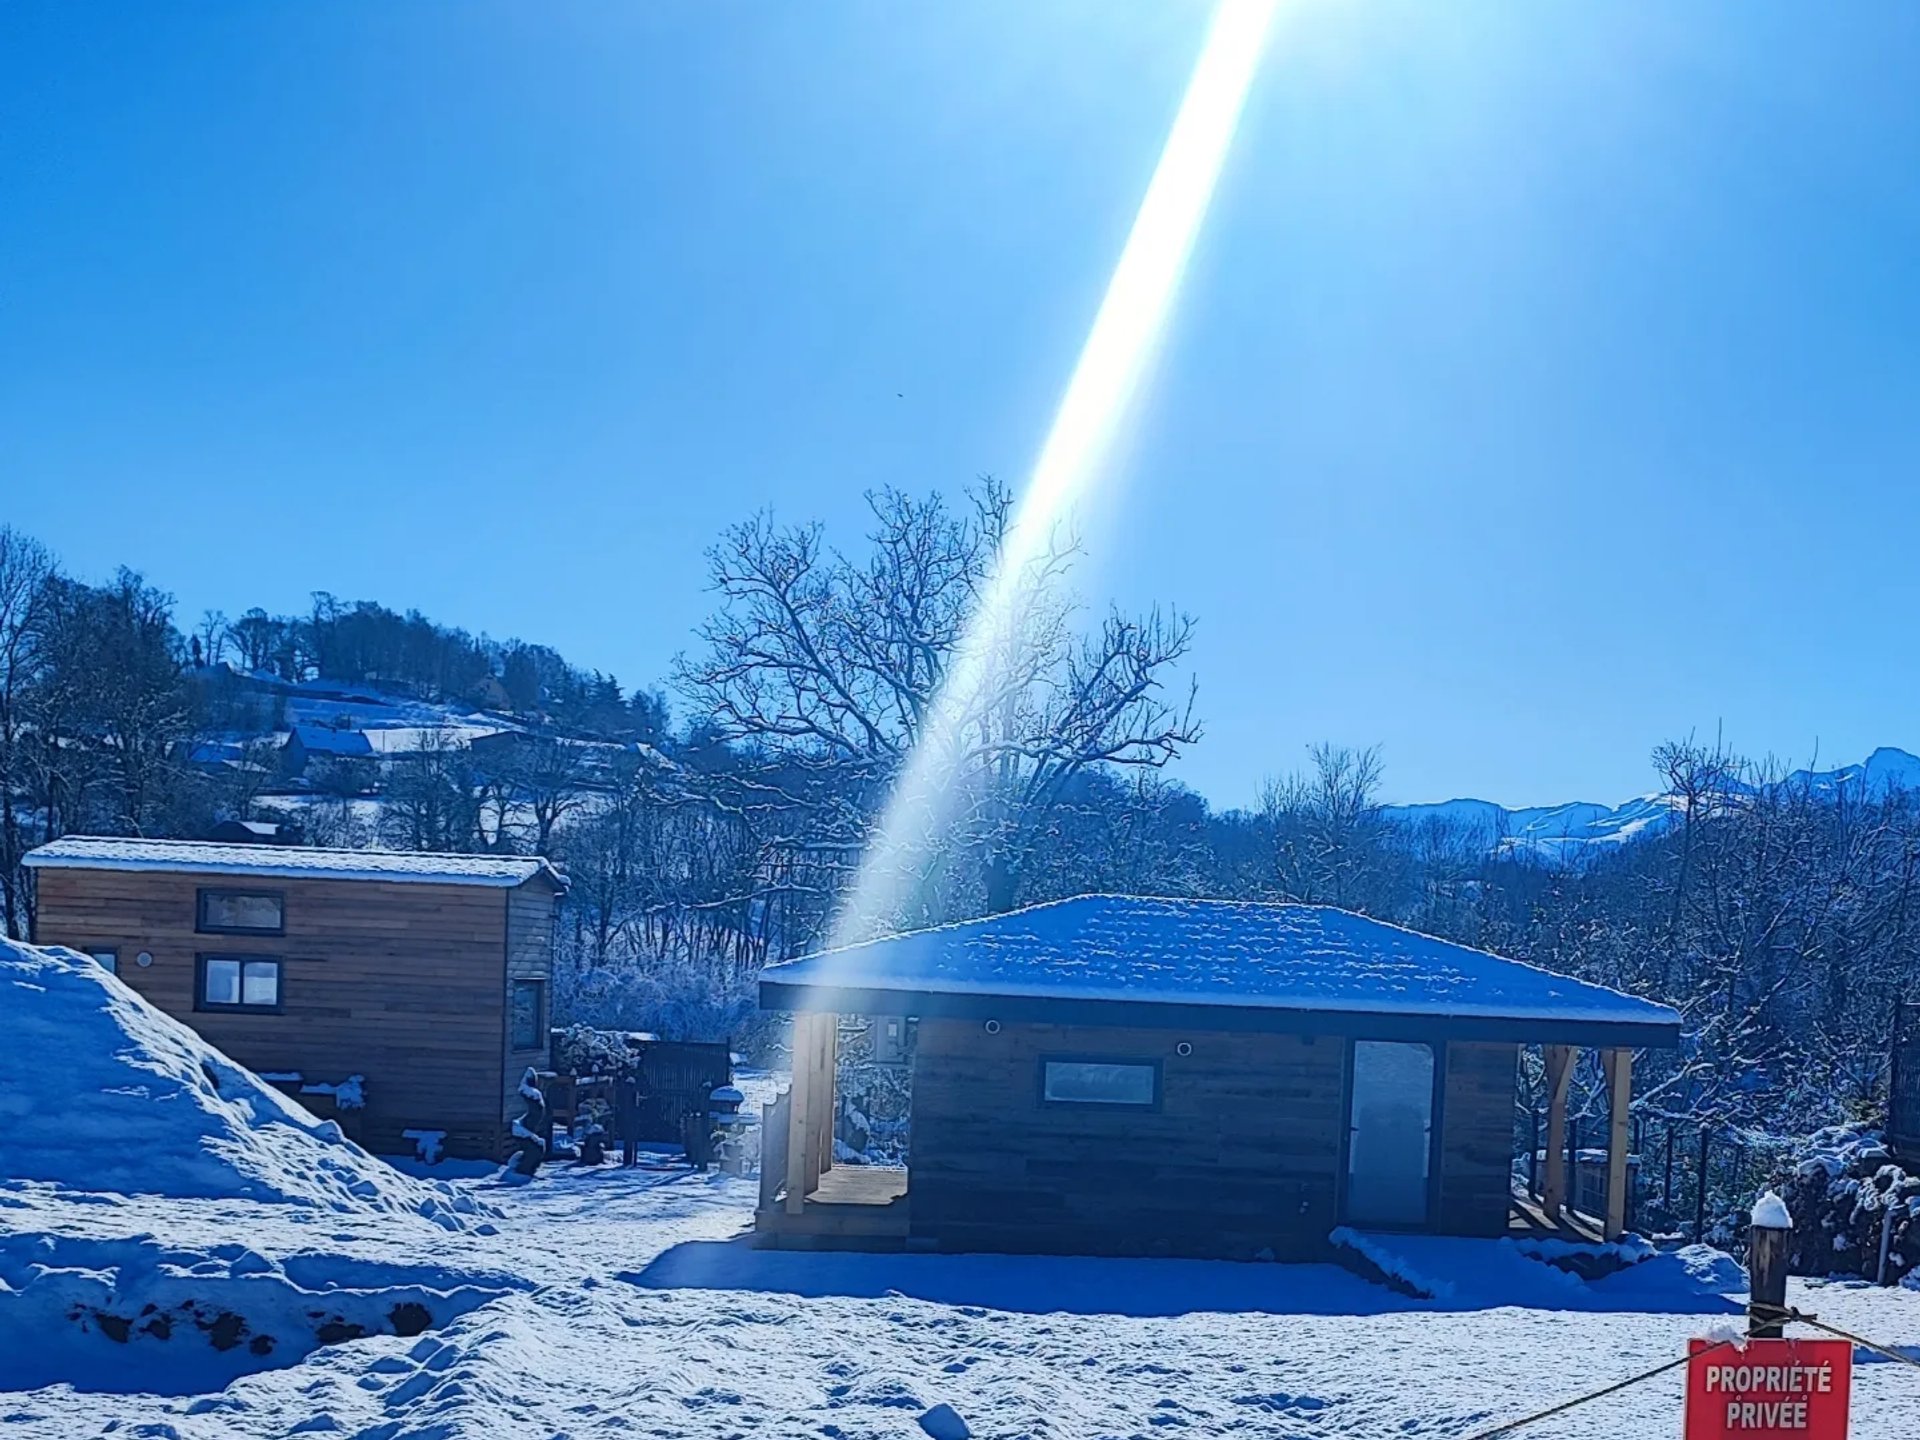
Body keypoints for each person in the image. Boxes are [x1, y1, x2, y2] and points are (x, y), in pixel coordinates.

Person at [506, 1066, 548, 1178]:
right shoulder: (531, 1093)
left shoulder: (534, 1094)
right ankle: (523, 1170)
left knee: (537, 1146)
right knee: (536, 1147)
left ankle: (526, 1168)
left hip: (527, 1124)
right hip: (522, 1127)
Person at [613, 1066, 642, 1168]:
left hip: (628, 1111)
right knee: (629, 1130)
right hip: (627, 1111)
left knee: (629, 1130)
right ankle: (629, 1158)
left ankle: (630, 1158)